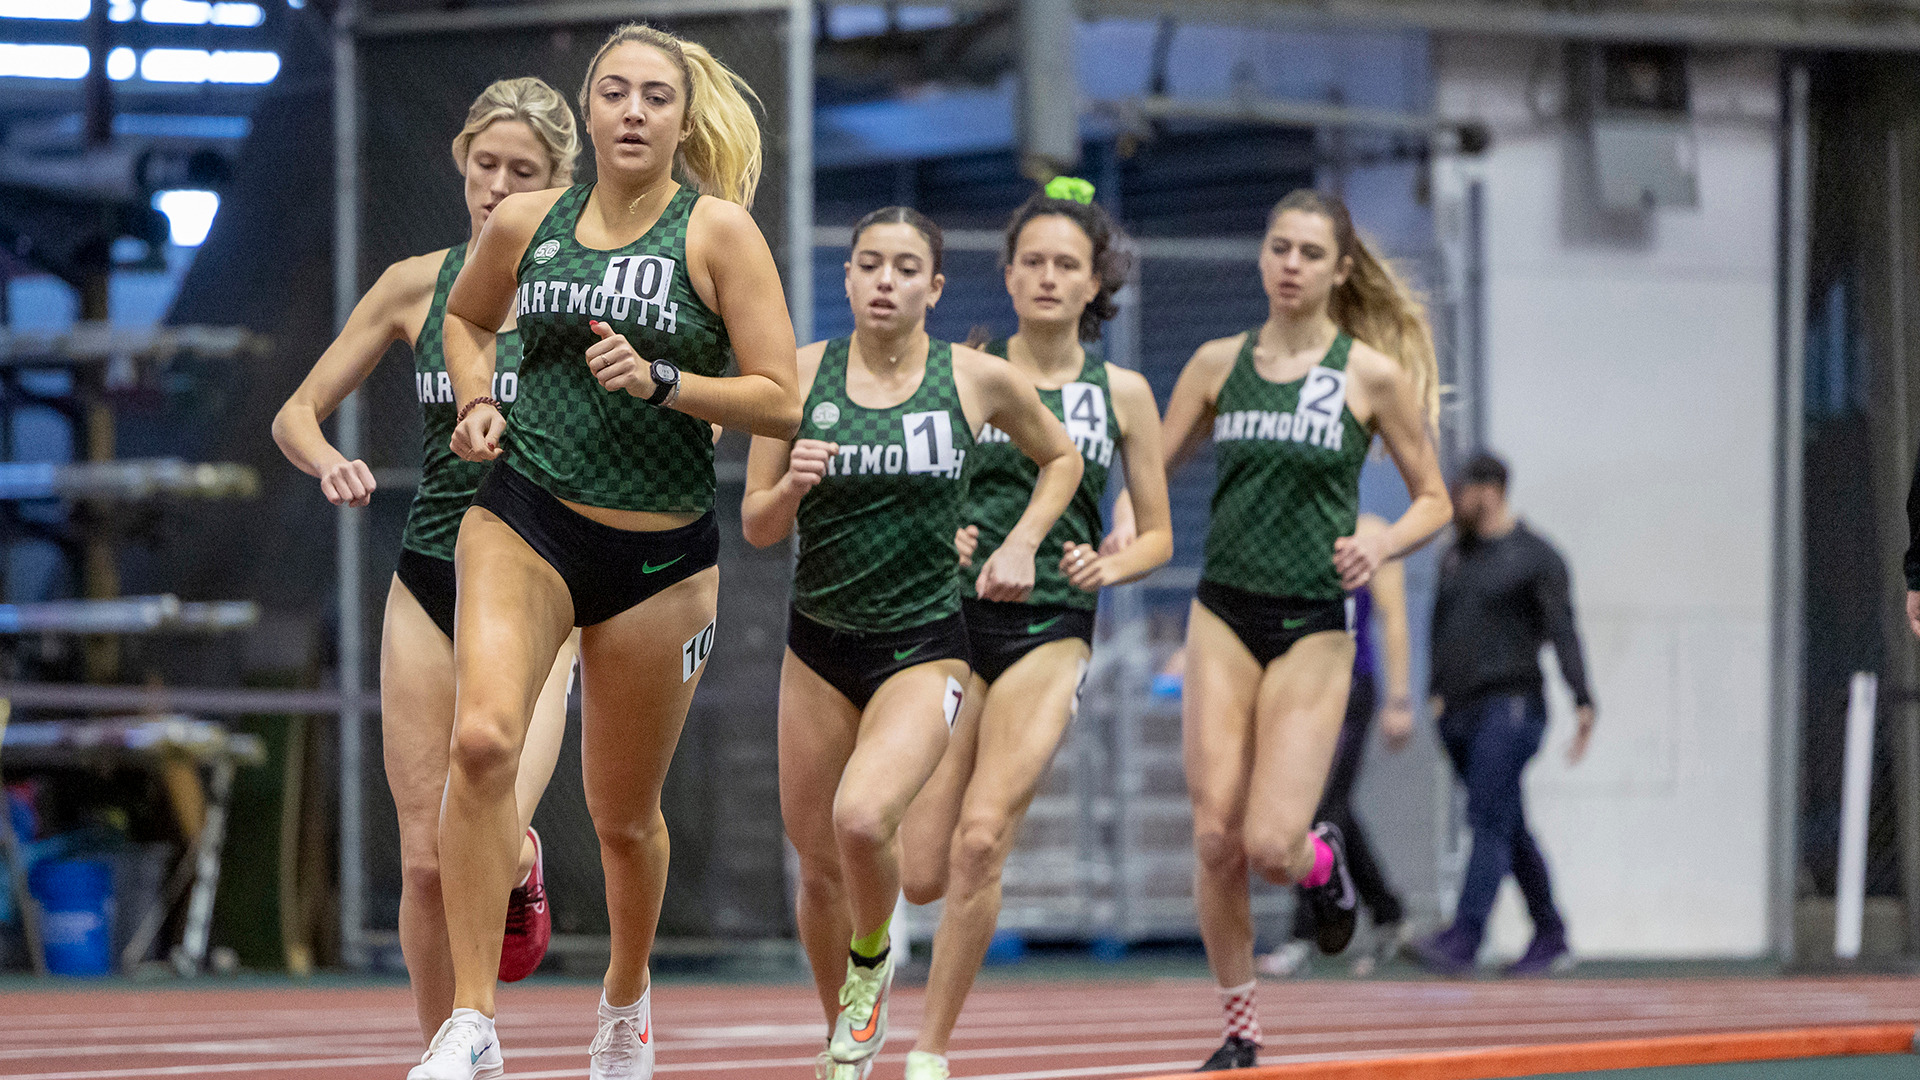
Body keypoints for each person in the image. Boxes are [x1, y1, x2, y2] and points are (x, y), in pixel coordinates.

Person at [416, 24, 802, 1080]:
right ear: (587, 114)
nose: (634, 110)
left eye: (655, 97)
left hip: (658, 559)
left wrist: (667, 383)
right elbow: (466, 318)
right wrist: (481, 398)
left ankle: (626, 1000)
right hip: (524, 514)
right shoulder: (529, 221)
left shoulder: (716, 234)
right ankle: (473, 1020)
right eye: (614, 92)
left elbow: (782, 397)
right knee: (485, 746)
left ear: (681, 120)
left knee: (622, 818)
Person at [271, 77, 582, 1043]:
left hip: (546, 577)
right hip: (431, 576)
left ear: (560, 183)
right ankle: (446, 1051)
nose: (496, 186)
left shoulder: (583, 287)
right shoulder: (418, 282)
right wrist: (330, 461)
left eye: (521, 171)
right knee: (422, 860)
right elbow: (296, 412)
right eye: (483, 166)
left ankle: (520, 865)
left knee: (477, 817)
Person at [742, 206, 1081, 1080]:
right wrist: (792, 489)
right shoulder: (794, 379)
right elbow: (754, 524)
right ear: (847, 278)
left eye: (903, 268)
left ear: (934, 287)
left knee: (862, 818)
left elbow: (1063, 459)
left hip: (923, 644)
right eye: (868, 265)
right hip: (817, 647)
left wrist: (1021, 543)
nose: (883, 281)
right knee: (815, 865)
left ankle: (872, 956)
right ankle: (845, 1039)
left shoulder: (975, 379)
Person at [1143, 189, 1451, 1070]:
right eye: (1279, 247)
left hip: (1314, 619)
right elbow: (1150, 467)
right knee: (1214, 836)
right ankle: (1241, 1030)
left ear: (1339, 270)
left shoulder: (1369, 375)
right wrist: (1121, 516)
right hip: (1224, 612)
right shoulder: (1214, 363)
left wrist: (1384, 536)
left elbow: (1432, 497)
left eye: (1310, 253)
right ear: (1262, 256)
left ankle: (1325, 861)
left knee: (1271, 845)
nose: (1290, 264)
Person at [894, 180, 1173, 1080]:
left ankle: (930, 1051)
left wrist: (1111, 562)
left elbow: (1160, 533)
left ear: (1096, 284)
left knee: (983, 838)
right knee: (922, 871)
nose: (1049, 277)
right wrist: (948, 531)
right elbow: (914, 485)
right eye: (1034, 262)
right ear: (1008, 276)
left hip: (1052, 625)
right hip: (951, 623)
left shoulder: (1122, 393)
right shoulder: (965, 367)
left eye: (1068, 265)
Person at [1407, 452, 1595, 979]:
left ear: (1491, 490)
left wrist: (1583, 699)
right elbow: (1441, 627)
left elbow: (1563, 629)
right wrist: (1434, 695)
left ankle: (1465, 937)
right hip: (1460, 713)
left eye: (1462, 489)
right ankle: (1551, 933)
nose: (1454, 499)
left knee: (1488, 819)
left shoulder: (1536, 557)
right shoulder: (1456, 556)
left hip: (1511, 709)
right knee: (1507, 823)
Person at [1257, 512, 1413, 979]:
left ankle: (1304, 933)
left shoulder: (1371, 534)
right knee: (1331, 810)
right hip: (1296, 690)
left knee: (1315, 810)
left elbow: (1394, 620)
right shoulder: (1291, 532)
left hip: (1348, 691)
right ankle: (1388, 913)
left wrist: (1400, 699)